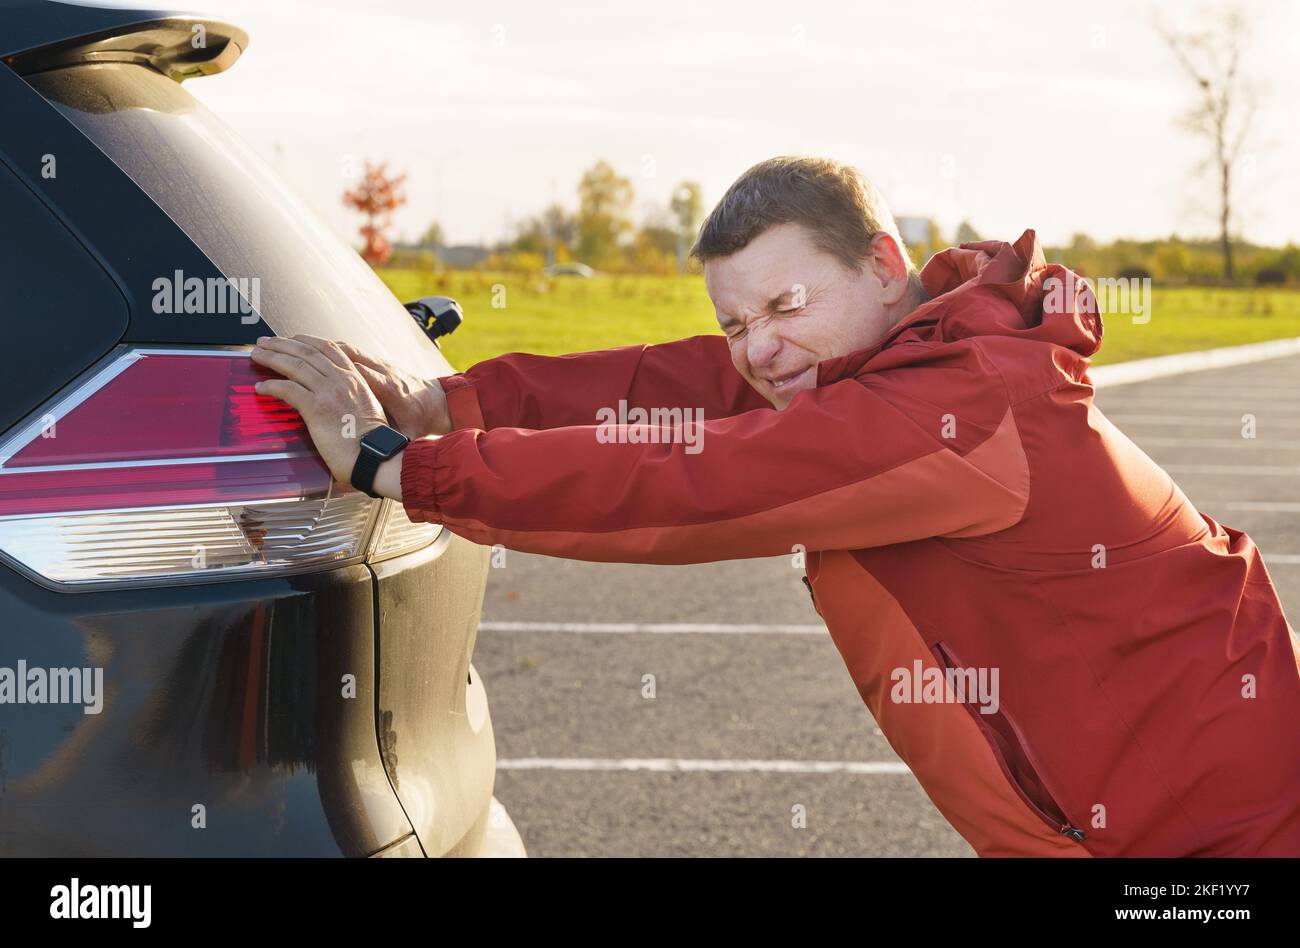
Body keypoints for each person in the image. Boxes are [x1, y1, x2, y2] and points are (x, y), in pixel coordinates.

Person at [250, 156, 1300, 857]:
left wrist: (400, 466)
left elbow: (695, 480)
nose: (759, 344)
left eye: (785, 305)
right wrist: (449, 402)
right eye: (737, 316)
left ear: (883, 267)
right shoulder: (905, 350)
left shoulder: (962, 409)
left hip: (1211, 839)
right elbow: (684, 389)